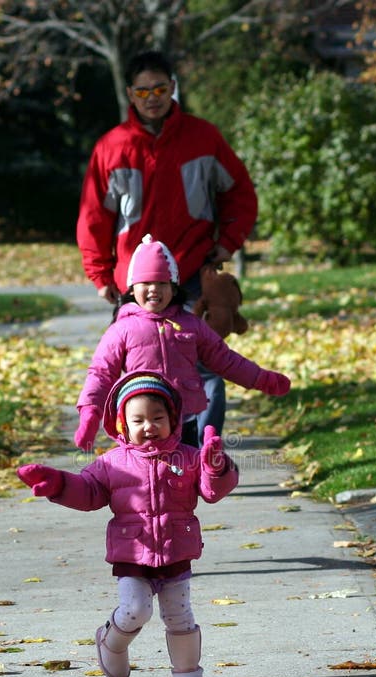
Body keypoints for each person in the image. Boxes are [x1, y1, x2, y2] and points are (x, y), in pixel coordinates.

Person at [76, 49, 258, 443]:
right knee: (135, 372)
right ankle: (145, 454)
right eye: (143, 92)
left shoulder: (203, 138)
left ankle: (202, 454)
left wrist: (227, 243)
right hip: (133, 283)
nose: (153, 97)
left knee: (205, 367)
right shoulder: (112, 147)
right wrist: (99, 274)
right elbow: (94, 218)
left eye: (160, 88)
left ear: (173, 88)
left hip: (193, 271)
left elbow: (241, 194)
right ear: (130, 94)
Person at [17, 371, 239, 677]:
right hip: (133, 551)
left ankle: (187, 674)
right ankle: (112, 642)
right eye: (138, 420)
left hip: (176, 550)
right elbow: (89, 490)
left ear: (173, 419)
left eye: (157, 417)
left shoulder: (187, 457)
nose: (149, 426)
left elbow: (211, 490)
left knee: (179, 615)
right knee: (137, 609)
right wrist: (60, 484)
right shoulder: (112, 464)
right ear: (123, 425)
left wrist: (217, 466)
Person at [73, 234, 290, 450]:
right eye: (146, 282)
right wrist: (90, 411)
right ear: (132, 288)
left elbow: (225, 359)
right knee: (145, 478)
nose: (154, 289)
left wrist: (261, 379)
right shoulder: (121, 329)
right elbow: (101, 372)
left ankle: (206, 480)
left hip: (183, 420)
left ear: (174, 288)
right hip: (142, 423)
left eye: (162, 283)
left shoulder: (191, 324)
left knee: (186, 476)